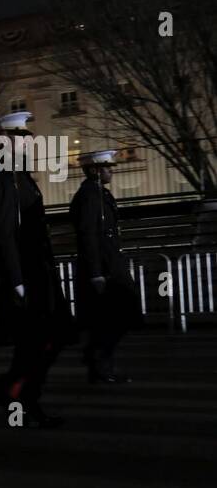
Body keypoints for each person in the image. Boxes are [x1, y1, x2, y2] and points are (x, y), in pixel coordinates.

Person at [0, 111, 75, 423]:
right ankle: (20, 397)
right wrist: (15, 279)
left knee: (47, 339)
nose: (27, 144)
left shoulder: (19, 178)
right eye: (21, 139)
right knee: (38, 342)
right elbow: (3, 234)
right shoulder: (4, 181)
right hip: (27, 277)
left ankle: (16, 392)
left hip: (37, 273)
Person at [71, 149, 142, 383]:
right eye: (107, 168)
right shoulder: (91, 196)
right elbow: (88, 235)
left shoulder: (99, 194)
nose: (111, 171)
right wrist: (96, 273)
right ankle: (99, 363)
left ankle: (98, 362)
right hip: (104, 268)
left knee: (114, 317)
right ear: (94, 170)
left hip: (109, 264)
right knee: (115, 316)